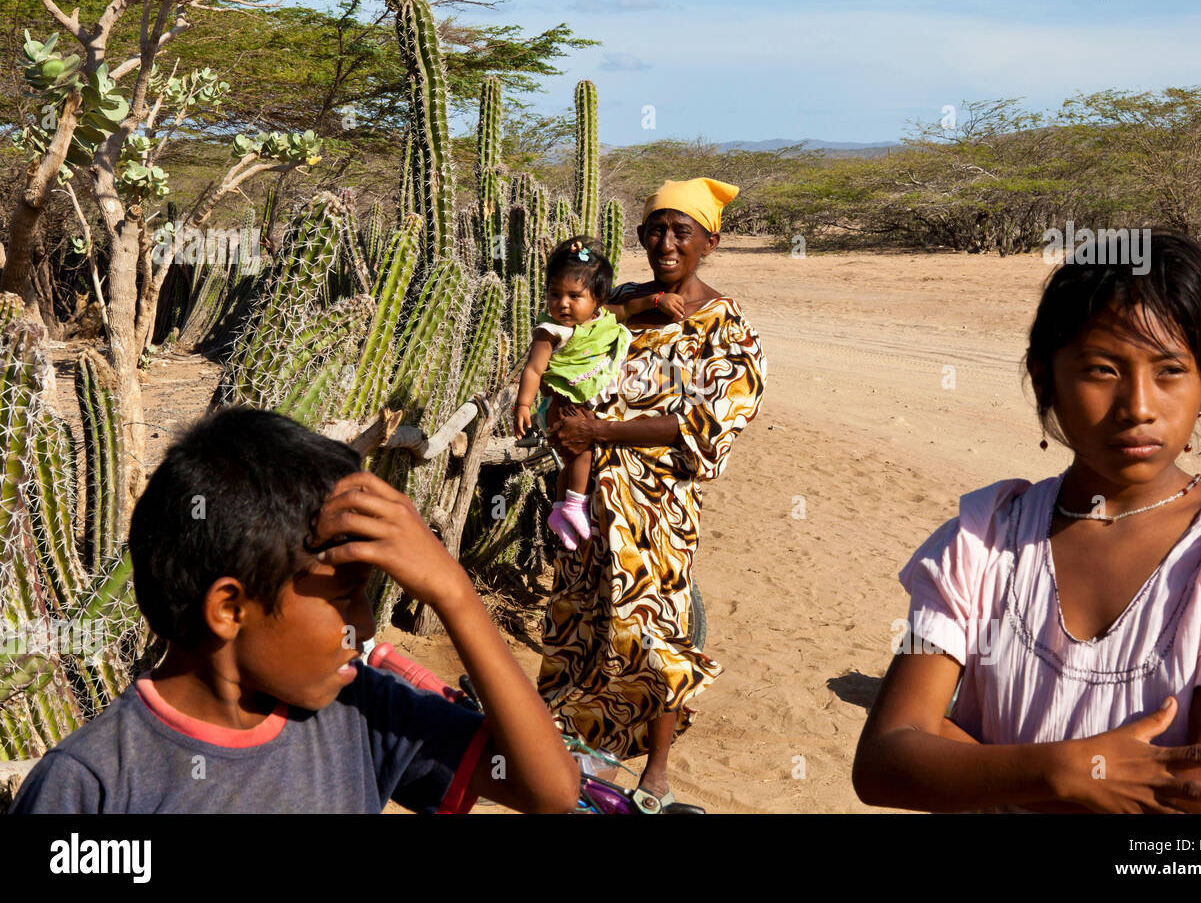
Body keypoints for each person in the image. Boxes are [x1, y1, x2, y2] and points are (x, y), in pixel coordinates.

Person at [852, 230, 1201, 813]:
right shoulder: (979, 539)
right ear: (1045, 379)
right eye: (1101, 369)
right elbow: (886, 762)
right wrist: (1070, 771)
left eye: (1169, 370)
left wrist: (979, 762)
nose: (1139, 406)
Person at [11, 407, 578, 813]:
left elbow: (549, 791)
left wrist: (455, 594)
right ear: (230, 609)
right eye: (345, 597)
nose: (365, 627)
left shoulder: (362, 713)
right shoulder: (91, 786)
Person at [540, 177, 767, 805]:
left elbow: (710, 419)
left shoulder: (728, 326)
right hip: (586, 501)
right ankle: (575, 755)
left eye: (681, 231)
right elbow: (566, 357)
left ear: (709, 243)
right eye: (655, 230)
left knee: (655, 631)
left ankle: (656, 773)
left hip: (657, 507)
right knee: (579, 622)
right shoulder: (619, 302)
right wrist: (565, 427)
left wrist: (602, 429)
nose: (666, 242)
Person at [515, 236, 660, 550]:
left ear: (597, 298)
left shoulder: (602, 317)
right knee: (582, 451)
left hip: (579, 400)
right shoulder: (551, 330)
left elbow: (627, 308)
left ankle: (558, 511)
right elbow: (533, 370)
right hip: (563, 402)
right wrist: (524, 404)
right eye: (554, 294)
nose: (562, 304)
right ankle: (575, 504)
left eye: (573, 296)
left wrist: (654, 302)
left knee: (569, 460)